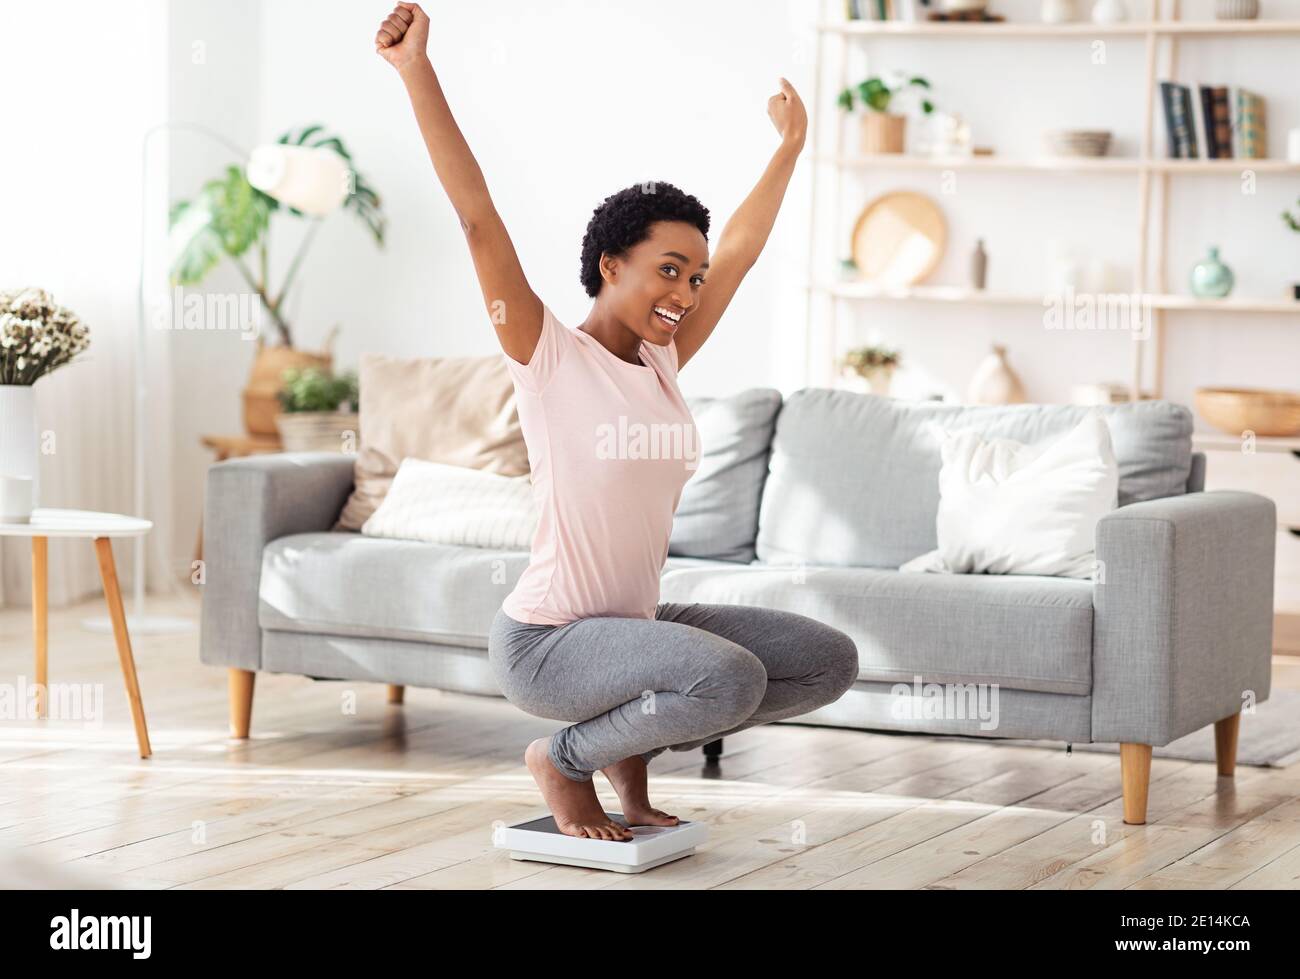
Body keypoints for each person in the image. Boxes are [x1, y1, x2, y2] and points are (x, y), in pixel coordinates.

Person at [376, 3, 859, 842]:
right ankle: (566, 758)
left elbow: (739, 250)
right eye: (668, 269)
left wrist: (788, 150)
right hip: (548, 642)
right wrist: (418, 70)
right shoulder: (547, 355)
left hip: (631, 630)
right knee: (730, 681)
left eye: (694, 278)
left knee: (827, 660)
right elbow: (477, 216)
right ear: (611, 265)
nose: (685, 292)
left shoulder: (662, 359)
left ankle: (625, 757)